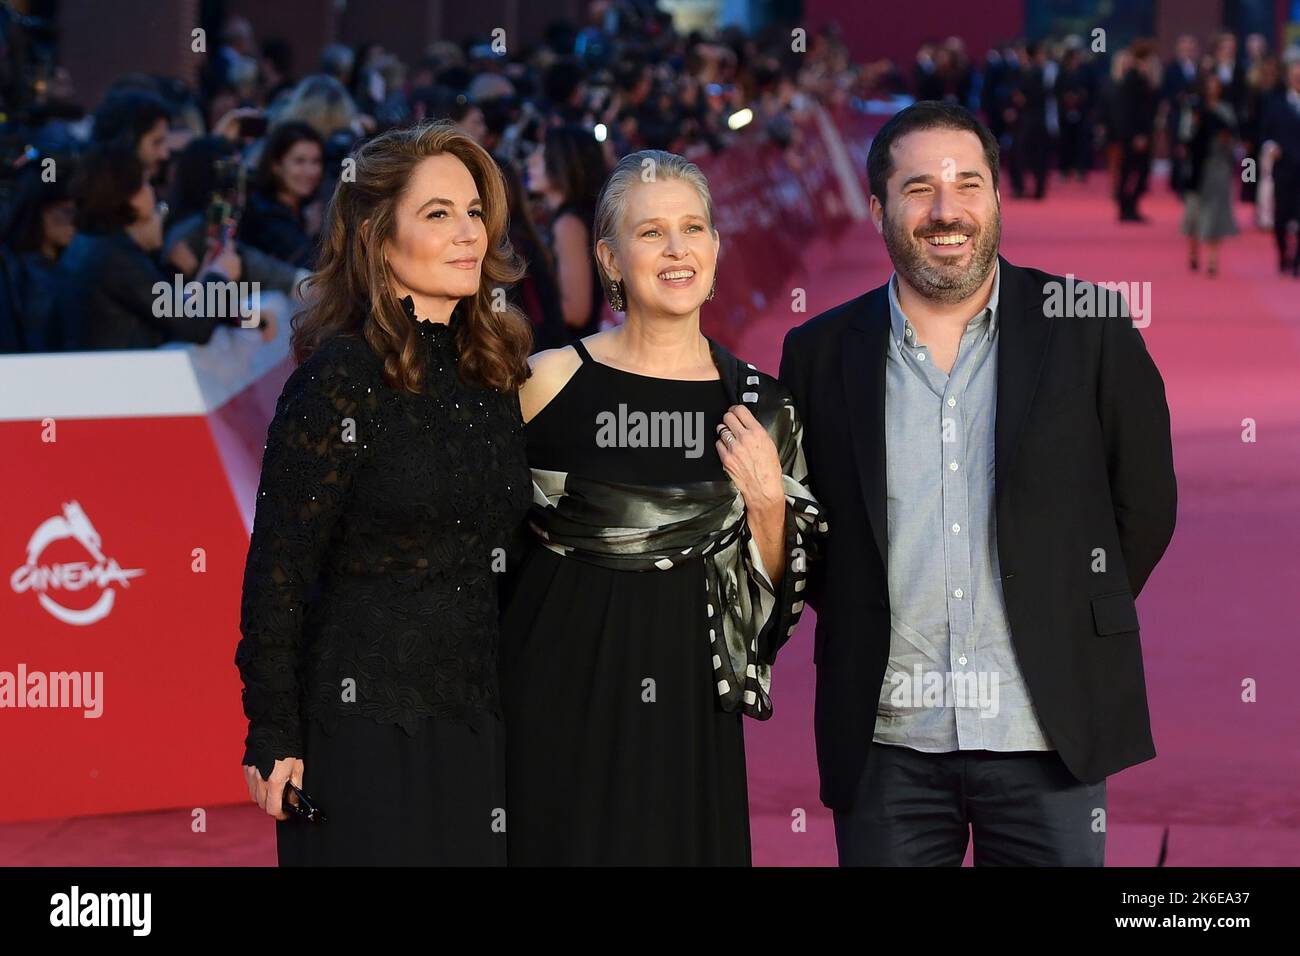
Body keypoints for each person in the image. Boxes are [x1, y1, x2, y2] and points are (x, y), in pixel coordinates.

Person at [779, 102, 1177, 866]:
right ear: (877, 208)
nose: (946, 210)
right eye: (919, 187)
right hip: (887, 741)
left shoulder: (1089, 324)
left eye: (969, 184)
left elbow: (1146, 504)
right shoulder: (820, 352)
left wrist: (1069, 609)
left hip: (1048, 733)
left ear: (997, 197)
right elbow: (812, 534)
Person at [500, 149, 824, 865]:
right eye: (651, 234)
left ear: (715, 244)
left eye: (693, 228)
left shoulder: (761, 407)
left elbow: (773, 611)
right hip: (551, 692)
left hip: (685, 703)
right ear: (610, 259)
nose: (677, 250)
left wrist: (768, 503)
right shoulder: (546, 381)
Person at [235, 121, 533, 866]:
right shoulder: (338, 381)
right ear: (376, 234)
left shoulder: (492, 375)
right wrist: (272, 733)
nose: (468, 234)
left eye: (473, 212)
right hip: (360, 727)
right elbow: (279, 571)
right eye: (438, 214)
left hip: (475, 724)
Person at [55, 146, 252, 350]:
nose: (153, 192)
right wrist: (220, 273)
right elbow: (194, 327)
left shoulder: (92, 245)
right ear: (130, 196)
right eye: (146, 183)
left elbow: (171, 312)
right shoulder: (115, 258)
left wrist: (211, 282)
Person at [526, 125, 608, 338]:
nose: (531, 161)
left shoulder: (569, 225)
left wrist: (522, 310)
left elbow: (576, 311)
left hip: (569, 352)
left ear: (564, 162)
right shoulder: (570, 218)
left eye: (542, 154)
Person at [0, 166, 76, 353]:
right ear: (39, 214)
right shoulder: (28, 272)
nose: (73, 222)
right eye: (66, 212)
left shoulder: (66, 262)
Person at [1178, 73, 1240, 276]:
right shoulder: (1194, 109)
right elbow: (1184, 136)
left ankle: (1213, 260)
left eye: (1216, 85)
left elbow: (1235, 139)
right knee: (1194, 213)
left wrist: (1227, 142)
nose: (1212, 89)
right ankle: (1194, 251)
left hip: (1219, 166)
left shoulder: (1226, 111)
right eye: (1209, 85)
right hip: (1197, 167)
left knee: (1216, 214)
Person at [239, 121, 324, 268]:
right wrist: (312, 233)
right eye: (299, 161)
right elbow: (310, 267)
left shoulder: (307, 207)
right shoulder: (263, 214)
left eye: (316, 161)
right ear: (276, 166)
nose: (310, 171)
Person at [1260, 56, 1300, 275]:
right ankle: (1283, 252)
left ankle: (1297, 261)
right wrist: (1270, 146)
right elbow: (1265, 134)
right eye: (1296, 76)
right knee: (1282, 217)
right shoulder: (1276, 105)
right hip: (1283, 168)